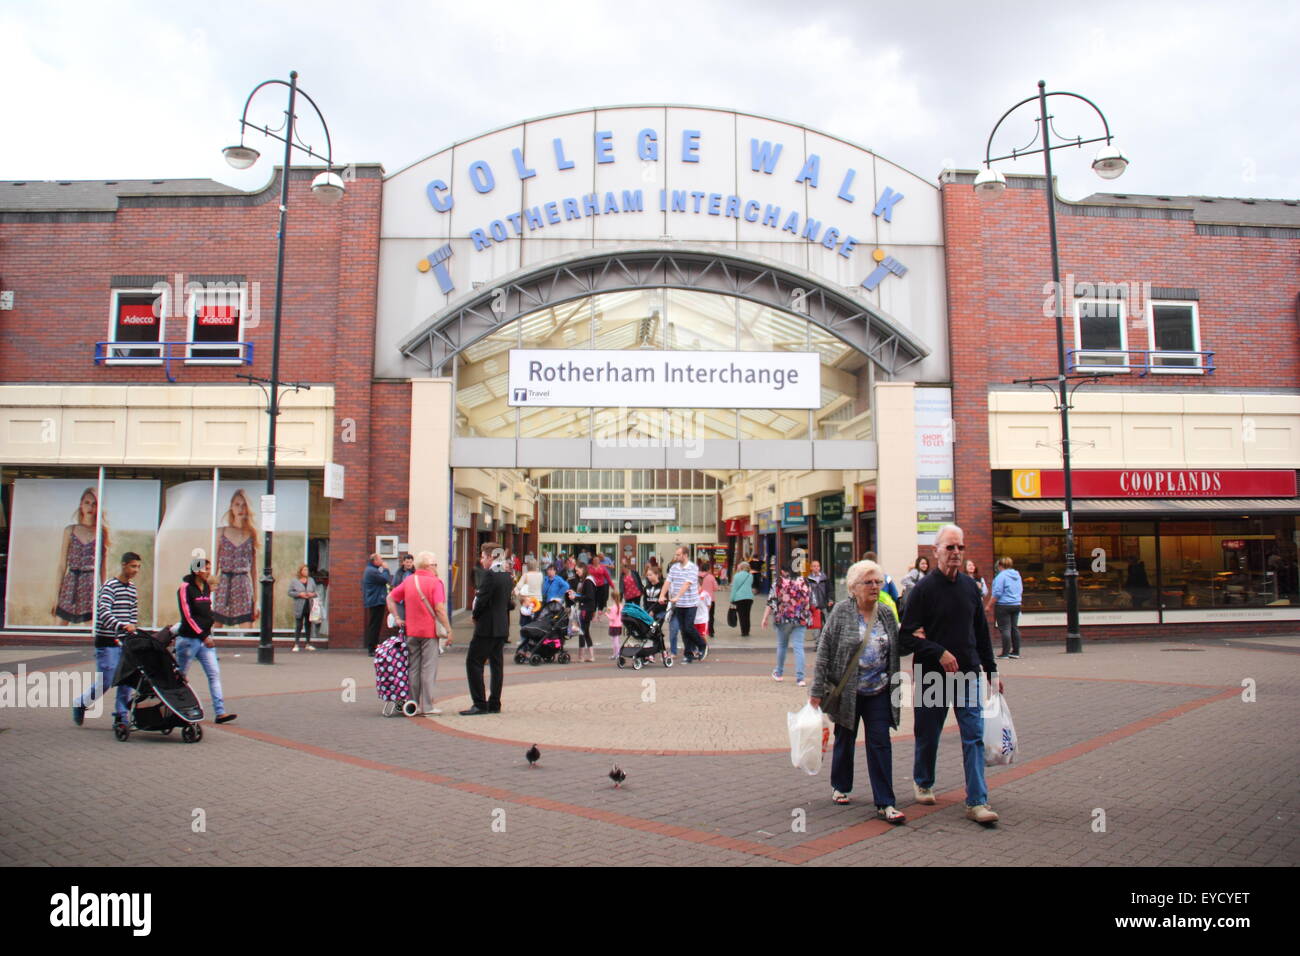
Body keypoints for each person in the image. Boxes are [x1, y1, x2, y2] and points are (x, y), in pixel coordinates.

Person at [900, 524, 1003, 825]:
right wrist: (938, 652)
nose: (956, 553)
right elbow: (904, 638)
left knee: (973, 736)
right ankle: (923, 780)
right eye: (950, 548)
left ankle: (977, 801)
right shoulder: (922, 590)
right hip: (932, 675)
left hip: (968, 674)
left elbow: (982, 634)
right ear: (936, 552)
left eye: (960, 547)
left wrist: (992, 671)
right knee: (928, 733)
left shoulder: (971, 587)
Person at [810, 560, 912, 823]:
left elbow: (898, 647)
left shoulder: (887, 613)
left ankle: (886, 802)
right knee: (845, 737)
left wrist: (919, 639)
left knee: (880, 743)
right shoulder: (842, 612)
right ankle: (841, 785)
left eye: (878, 581)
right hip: (848, 690)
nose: (875, 586)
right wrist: (817, 690)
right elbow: (824, 650)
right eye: (868, 582)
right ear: (854, 588)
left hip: (878, 689)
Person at [71, 551, 140, 728]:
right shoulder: (110, 586)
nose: (136, 570)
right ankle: (81, 703)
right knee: (107, 681)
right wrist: (120, 626)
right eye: (133, 566)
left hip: (125, 642)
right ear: (123, 565)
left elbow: (133, 614)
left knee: (127, 680)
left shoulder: (132, 589)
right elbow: (104, 612)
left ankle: (121, 715)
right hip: (107, 641)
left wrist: (131, 627)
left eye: (138, 567)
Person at [387, 551, 452, 717]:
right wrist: (448, 629)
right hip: (429, 632)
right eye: (434, 564)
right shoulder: (436, 583)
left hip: (412, 631)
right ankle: (428, 706)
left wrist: (397, 617)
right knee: (428, 669)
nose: (437, 567)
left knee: (413, 668)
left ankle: (413, 703)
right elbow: (439, 608)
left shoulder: (410, 580)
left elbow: (391, 598)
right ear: (427, 566)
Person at [175, 557, 238, 724]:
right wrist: (202, 635)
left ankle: (220, 712)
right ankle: (176, 709)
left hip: (204, 640)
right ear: (196, 571)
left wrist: (207, 633)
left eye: (209, 569)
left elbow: (206, 611)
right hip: (189, 639)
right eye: (205, 569)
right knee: (180, 676)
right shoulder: (185, 588)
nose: (208, 572)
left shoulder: (206, 588)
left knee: (214, 673)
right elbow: (187, 615)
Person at [462, 544, 512, 715]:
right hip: (501, 627)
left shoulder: (490, 575)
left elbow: (481, 601)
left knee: (473, 662)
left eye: (483, 557)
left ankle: (479, 703)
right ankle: (495, 702)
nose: (481, 560)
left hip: (487, 627)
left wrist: (475, 615)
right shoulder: (506, 575)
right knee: (497, 665)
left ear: (491, 557)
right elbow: (509, 602)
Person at [54, 487, 107, 624]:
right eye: (87, 502)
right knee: (59, 628)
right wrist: (55, 596)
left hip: (90, 585)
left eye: (94, 503)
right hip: (70, 583)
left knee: (92, 628)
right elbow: (61, 565)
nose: (90, 507)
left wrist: (104, 595)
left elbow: (102, 567)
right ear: (81, 505)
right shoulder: (70, 530)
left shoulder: (101, 532)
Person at [212, 489, 259, 626]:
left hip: (243, 585)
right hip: (223, 584)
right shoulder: (221, 532)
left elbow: (254, 571)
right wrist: (206, 593)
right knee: (217, 628)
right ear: (231, 507)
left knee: (247, 628)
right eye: (237, 504)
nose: (240, 508)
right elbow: (214, 565)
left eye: (244, 505)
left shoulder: (251, 534)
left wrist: (256, 601)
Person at [763, 563, 812, 685]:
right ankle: (800, 678)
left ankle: (779, 673)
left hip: (783, 619)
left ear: (785, 572)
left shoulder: (779, 584)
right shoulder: (804, 583)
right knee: (799, 647)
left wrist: (765, 618)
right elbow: (810, 601)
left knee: (782, 645)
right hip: (800, 619)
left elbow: (771, 602)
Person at [665, 546, 703, 663]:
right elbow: (667, 582)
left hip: (691, 603)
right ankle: (688, 655)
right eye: (676, 554)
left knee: (688, 627)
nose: (676, 557)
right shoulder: (674, 568)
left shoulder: (692, 568)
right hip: (678, 604)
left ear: (685, 555)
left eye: (678, 555)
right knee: (683, 630)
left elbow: (687, 584)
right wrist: (662, 595)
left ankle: (702, 645)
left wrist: (677, 596)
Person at [991, 556, 1023, 659]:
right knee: (1014, 628)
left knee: (1005, 629)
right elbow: (1020, 589)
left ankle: (1005, 653)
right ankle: (1016, 652)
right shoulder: (1017, 575)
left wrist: (988, 605)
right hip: (1016, 604)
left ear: (1000, 565)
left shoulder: (1001, 576)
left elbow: (997, 593)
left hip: (1003, 605)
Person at [362, 553, 391, 655]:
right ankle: (372, 648)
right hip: (376, 600)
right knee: (375, 625)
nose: (382, 561)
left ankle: (374, 646)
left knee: (375, 624)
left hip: (376, 599)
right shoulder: (372, 571)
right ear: (375, 561)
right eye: (380, 559)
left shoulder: (372, 570)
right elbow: (385, 579)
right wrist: (386, 569)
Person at [568, 562, 598, 662]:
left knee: (582, 631)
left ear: (583, 569)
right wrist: (576, 595)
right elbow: (586, 595)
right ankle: (588, 655)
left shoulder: (588, 581)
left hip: (586, 609)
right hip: (587, 608)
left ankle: (582, 656)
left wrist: (576, 596)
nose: (576, 572)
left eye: (577, 570)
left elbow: (589, 597)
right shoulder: (586, 580)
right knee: (584, 632)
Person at [287, 564, 319, 651]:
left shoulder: (311, 580)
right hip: (299, 605)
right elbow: (290, 592)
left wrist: (312, 594)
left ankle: (308, 643)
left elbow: (316, 592)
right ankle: (296, 644)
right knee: (299, 625)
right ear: (300, 571)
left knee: (308, 625)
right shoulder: (295, 581)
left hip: (309, 605)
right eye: (304, 570)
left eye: (307, 570)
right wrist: (299, 594)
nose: (306, 572)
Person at [514, 556, 544, 642]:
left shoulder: (525, 575)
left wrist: (520, 597)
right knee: (537, 622)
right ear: (536, 566)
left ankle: (524, 642)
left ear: (527, 566)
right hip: (538, 601)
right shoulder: (540, 575)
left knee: (525, 623)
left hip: (528, 602)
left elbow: (517, 588)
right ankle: (535, 641)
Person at [806, 559, 833, 647]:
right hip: (814, 605)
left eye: (817, 566)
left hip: (824, 604)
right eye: (814, 566)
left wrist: (830, 600)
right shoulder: (808, 580)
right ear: (811, 568)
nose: (816, 568)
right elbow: (807, 593)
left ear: (820, 567)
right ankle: (817, 643)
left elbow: (830, 590)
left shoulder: (825, 578)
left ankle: (826, 643)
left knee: (827, 623)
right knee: (816, 625)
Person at [729, 561, 754, 636]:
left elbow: (734, 589)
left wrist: (731, 599)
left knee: (741, 615)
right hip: (749, 598)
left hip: (739, 598)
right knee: (747, 615)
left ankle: (743, 631)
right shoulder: (750, 576)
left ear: (741, 567)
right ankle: (747, 630)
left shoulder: (736, 576)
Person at [698, 561, 719, 638]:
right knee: (710, 615)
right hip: (710, 600)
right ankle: (710, 631)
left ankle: (699, 630)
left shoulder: (697, 576)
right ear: (708, 569)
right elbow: (716, 588)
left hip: (699, 598)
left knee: (699, 615)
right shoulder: (711, 577)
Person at [694, 575, 712, 660]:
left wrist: (705, 613)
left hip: (702, 619)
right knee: (695, 635)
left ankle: (705, 647)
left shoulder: (705, 594)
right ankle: (697, 649)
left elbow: (708, 605)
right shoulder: (692, 594)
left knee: (702, 635)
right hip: (694, 619)